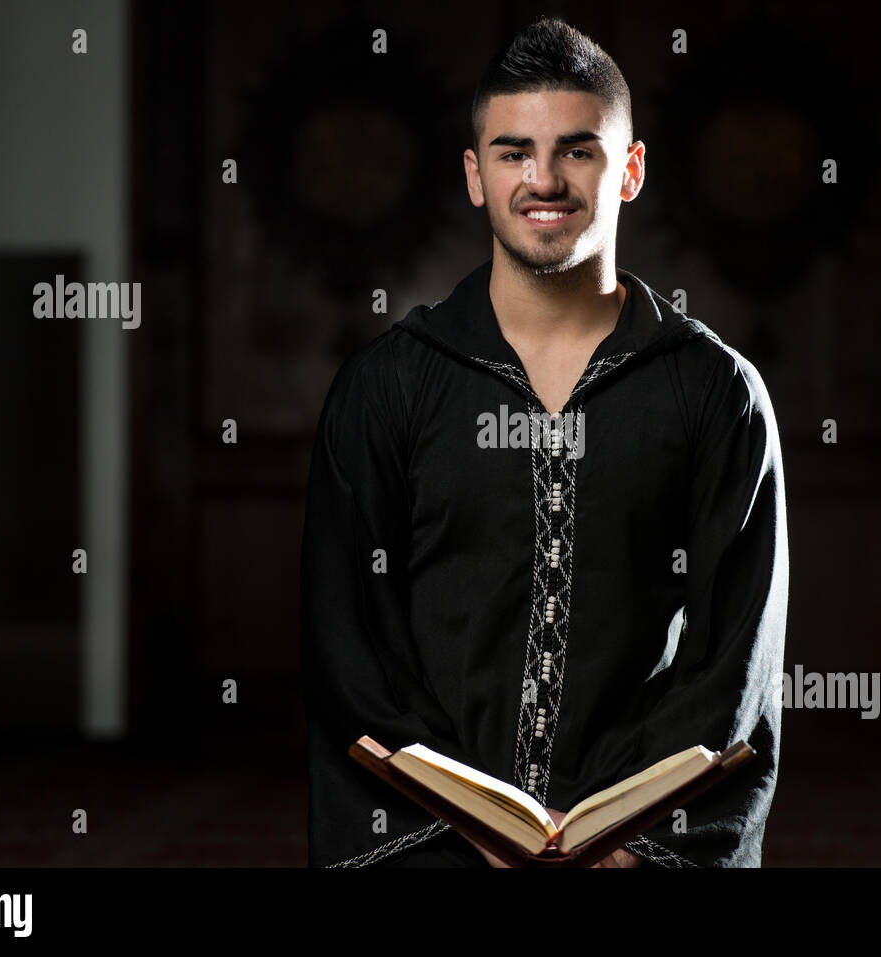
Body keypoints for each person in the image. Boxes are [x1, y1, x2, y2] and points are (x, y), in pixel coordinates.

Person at [301, 15, 788, 868]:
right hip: (439, 846)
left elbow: (735, 662)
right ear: (475, 176)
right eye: (513, 151)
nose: (543, 179)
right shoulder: (387, 387)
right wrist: (465, 825)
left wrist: (630, 836)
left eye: (577, 150)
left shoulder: (718, 393)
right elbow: (349, 644)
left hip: (632, 848)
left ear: (629, 170)